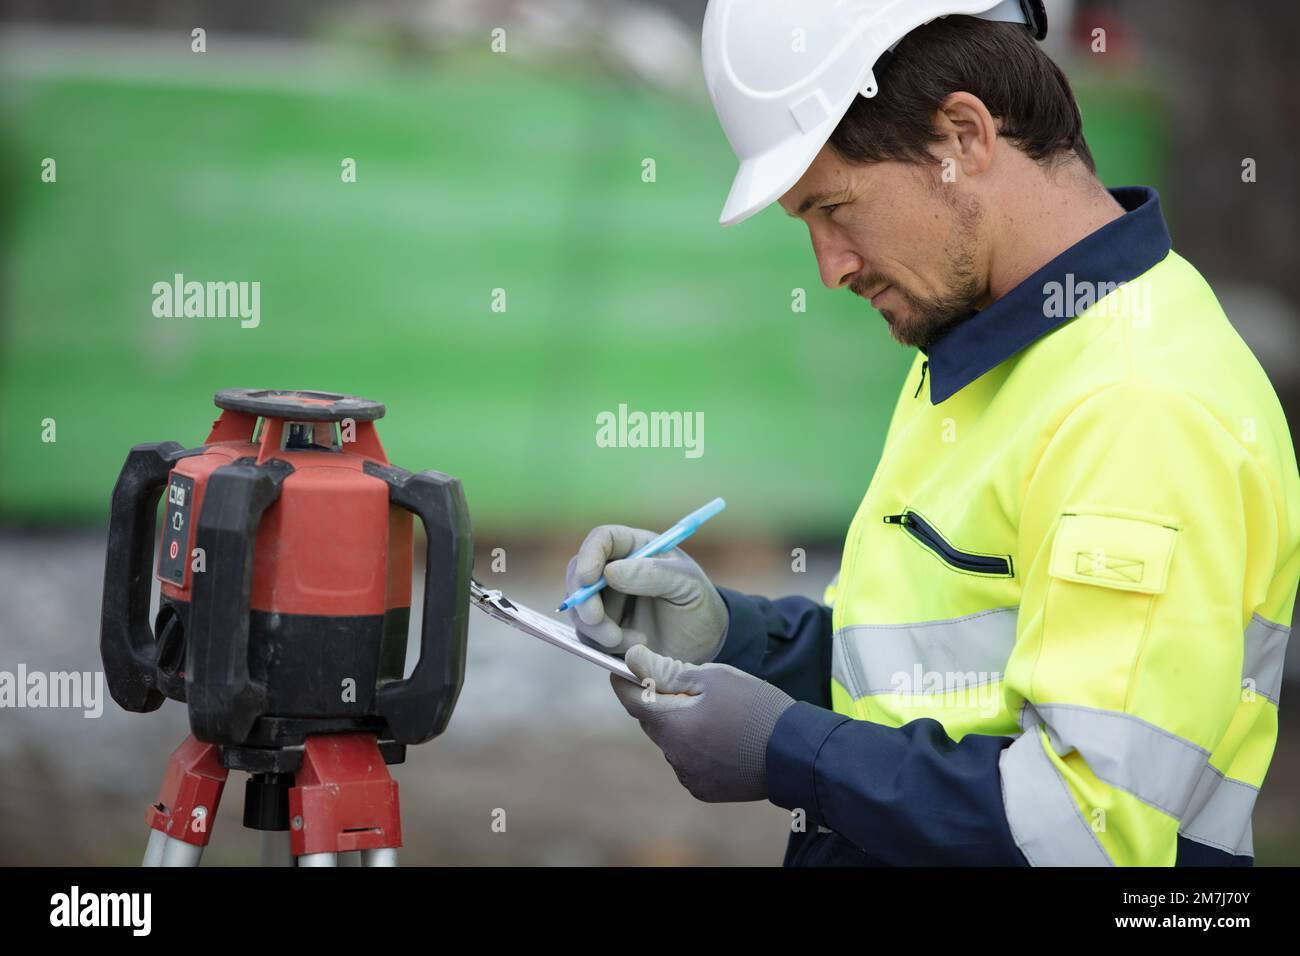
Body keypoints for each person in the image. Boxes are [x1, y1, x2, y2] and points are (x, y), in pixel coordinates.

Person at [564, 0, 1300, 865]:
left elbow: (1089, 829)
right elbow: (932, 681)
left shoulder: (1138, 406)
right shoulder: (989, 349)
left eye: (836, 208)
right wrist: (740, 639)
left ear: (963, 137)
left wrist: (787, 751)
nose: (831, 266)